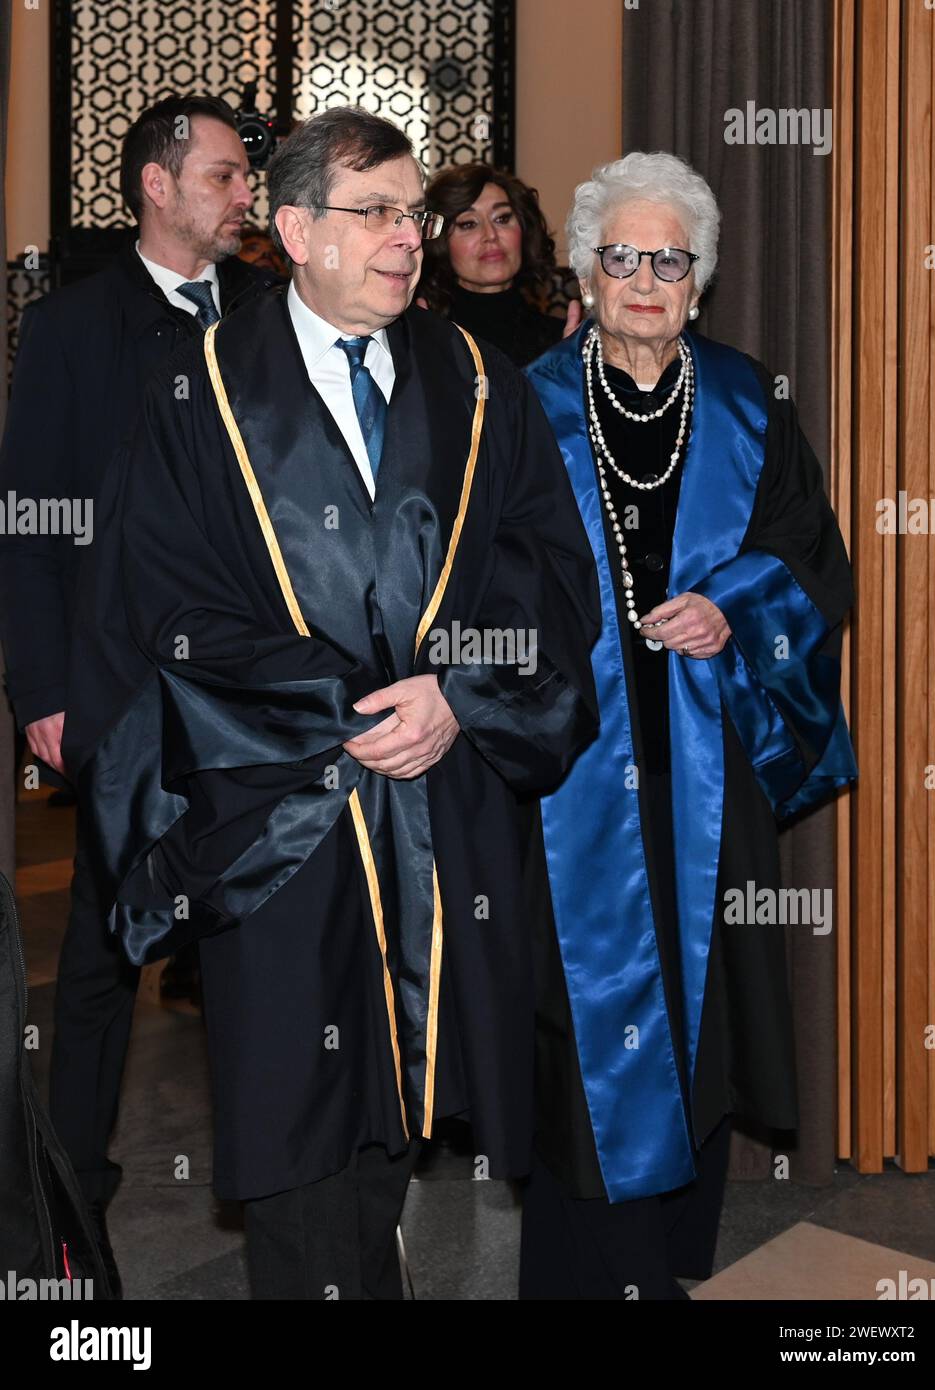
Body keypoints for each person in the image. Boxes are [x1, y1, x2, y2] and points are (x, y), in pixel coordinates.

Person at [69, 106, 600, 1300]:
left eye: (413, 214)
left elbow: (548, 572)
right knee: (302, 1132)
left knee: (405, 1114)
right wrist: (345, 711)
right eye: (377, 213)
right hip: (280, 815)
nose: (408, 238)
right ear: (297, 227)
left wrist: (459, 696)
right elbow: (157, 610)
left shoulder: (476, 383)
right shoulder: (195, 393)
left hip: (443, 802)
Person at [519, 151, 857, 1299]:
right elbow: (477, 582)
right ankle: (580, 1278)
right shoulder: (524, 404)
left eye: (671, 258)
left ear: (699, 279)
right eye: (623, 256)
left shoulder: (747, 398)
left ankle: (668, 1271)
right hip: (569, 774)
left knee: (704, 1021)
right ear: (586, 269)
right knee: (583, 1026)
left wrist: (732, 605)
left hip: (709, 772)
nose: (647, 278)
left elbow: (816, 560)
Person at [0, 94, 279, 1295]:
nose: (245, 196)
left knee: (257, 952)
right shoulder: (70, 329)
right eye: (224, 175)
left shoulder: (274, 317)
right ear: (160, 187)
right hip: (115, 696)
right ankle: (74, 1202)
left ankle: (284, 1177)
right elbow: (29, 521)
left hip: (253, 703)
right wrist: (44, 689)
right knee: (107, 967)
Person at [418, 163, 578, 366]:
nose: (491, 235)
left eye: (502, 218)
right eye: (468, 224)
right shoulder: (422, 339)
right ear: (440, 243)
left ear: (524, 229)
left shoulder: (564, 343)